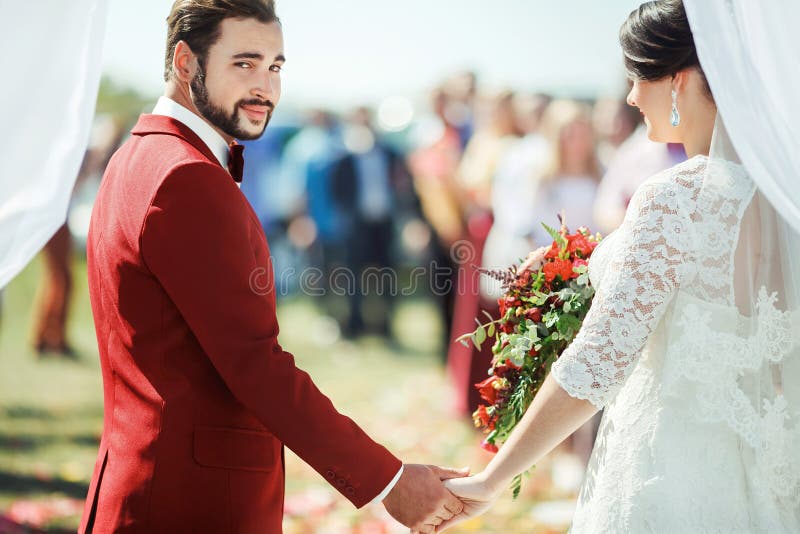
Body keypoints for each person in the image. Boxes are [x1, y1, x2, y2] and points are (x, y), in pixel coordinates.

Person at [80, 2, 465, 532]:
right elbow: (254, 365)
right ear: (186, 63)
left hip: (144, 483)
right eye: (245, 63)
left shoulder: (137, 156)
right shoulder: (183, 176)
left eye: (276, 66)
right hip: (191, 503)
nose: (266, 86)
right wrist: (387, 481)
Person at [441, 1, 800, 532]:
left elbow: (597, 364)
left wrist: (492, 479)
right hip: (768, 471)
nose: (631, 96)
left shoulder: (676, 196)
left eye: (637, 77)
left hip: (668, 470)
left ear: (678, 82)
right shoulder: (783, 202)